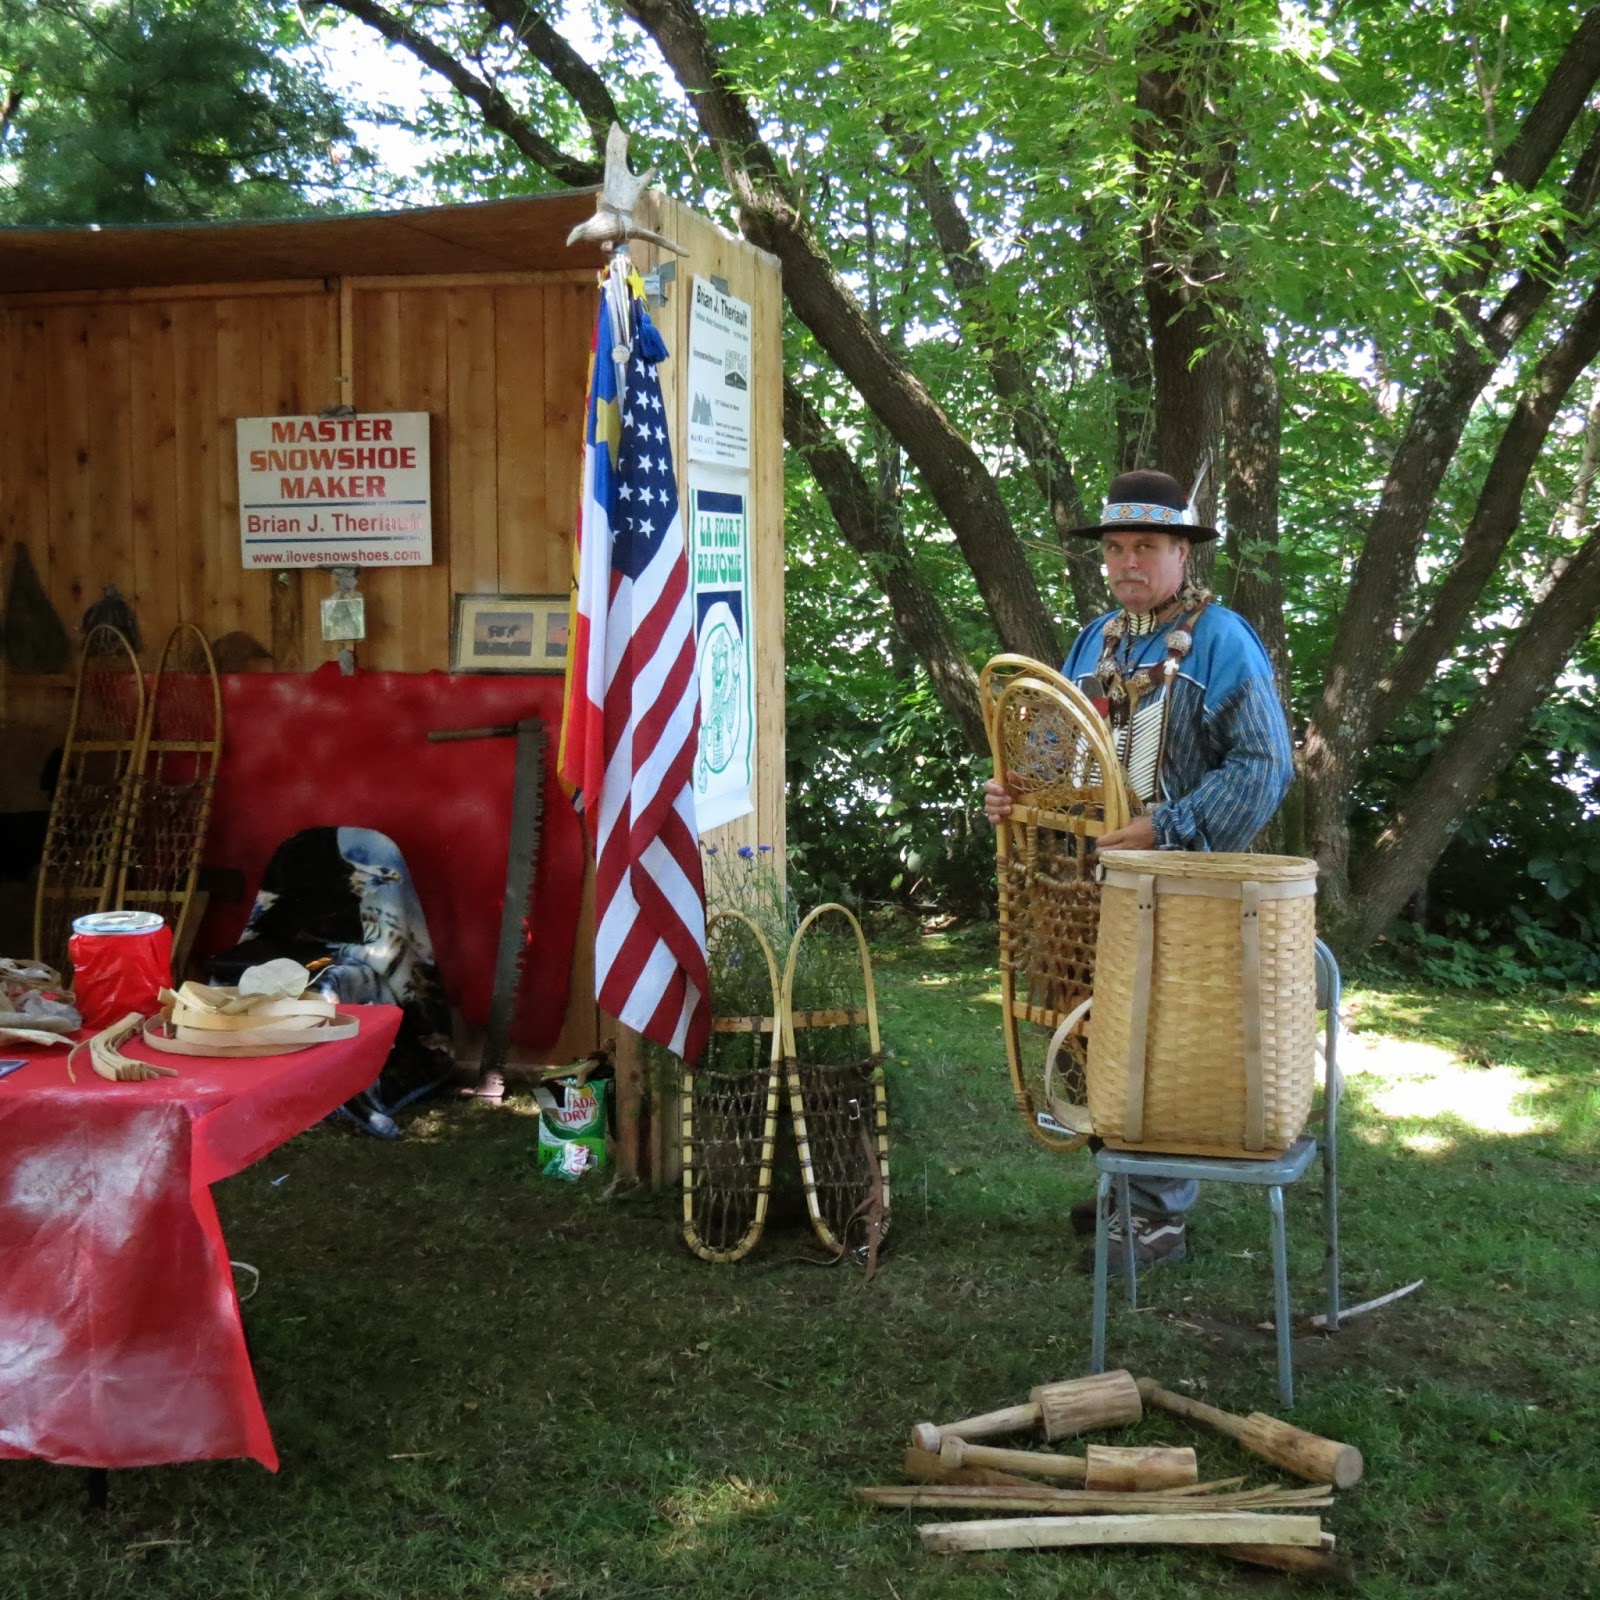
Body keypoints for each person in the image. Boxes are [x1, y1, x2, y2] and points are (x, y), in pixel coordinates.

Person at [984, 468, 1294, 1267]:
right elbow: (1055, 751)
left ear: (1182, 552)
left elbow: (1264, 767)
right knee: (1094, 1033)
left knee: (1157, 1039)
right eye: (1116, 547)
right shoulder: (1097, 640)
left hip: (1180, 888)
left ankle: (1156, 1218)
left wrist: (1169, 824)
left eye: (1146, 546)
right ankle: (1123, 1184)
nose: (1127, 562)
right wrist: (1015, 791)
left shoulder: (1223, 640)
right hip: (1092, 886)